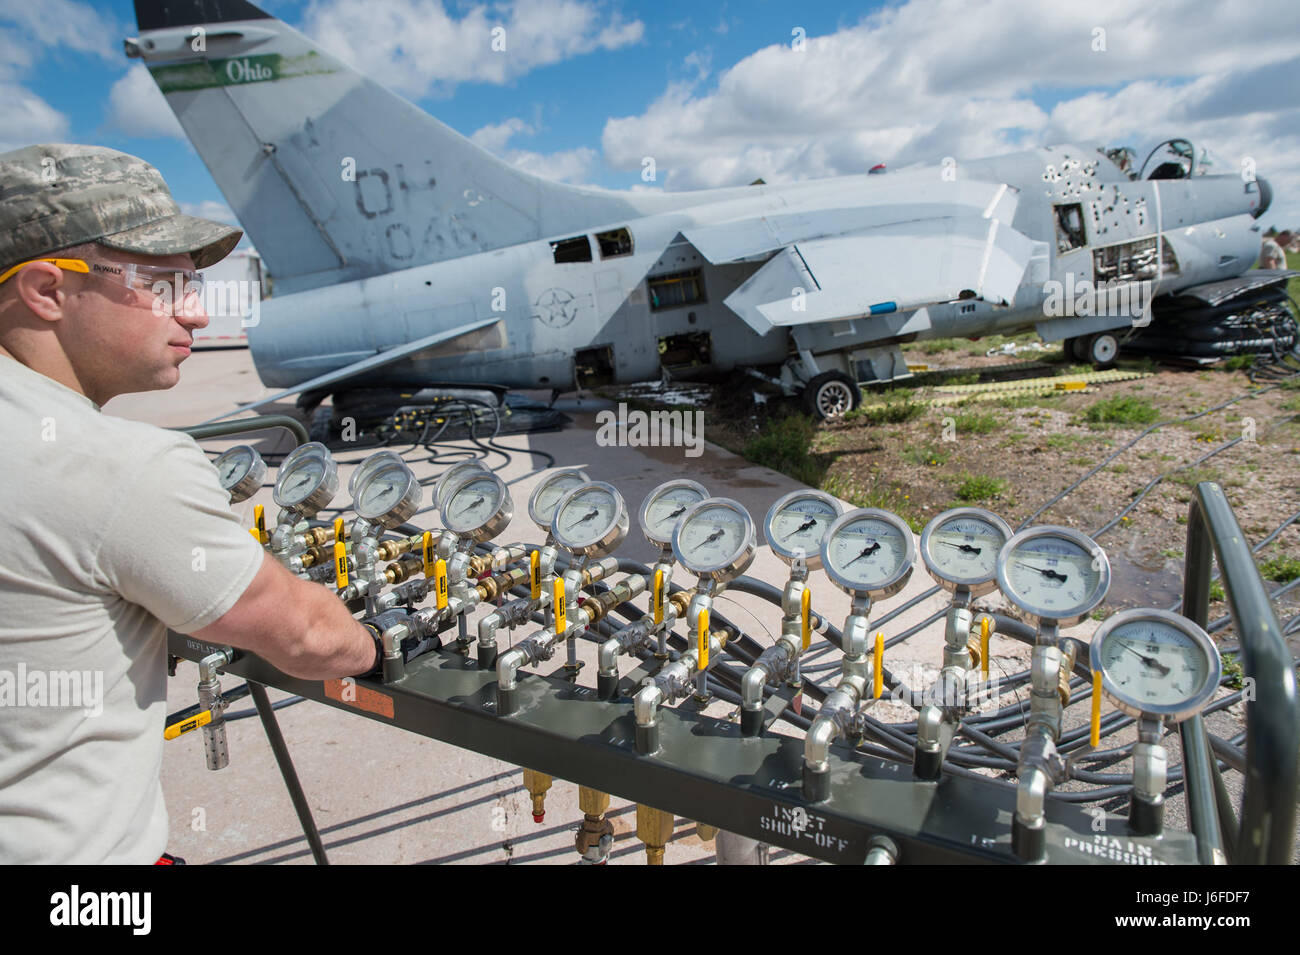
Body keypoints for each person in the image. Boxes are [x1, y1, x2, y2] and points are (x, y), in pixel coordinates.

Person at [0, 144, 379, 864]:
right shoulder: (120, 466)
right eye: (163, 284)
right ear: (47, 289)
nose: (198, 313)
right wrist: (376, 644)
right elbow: (305, 637)